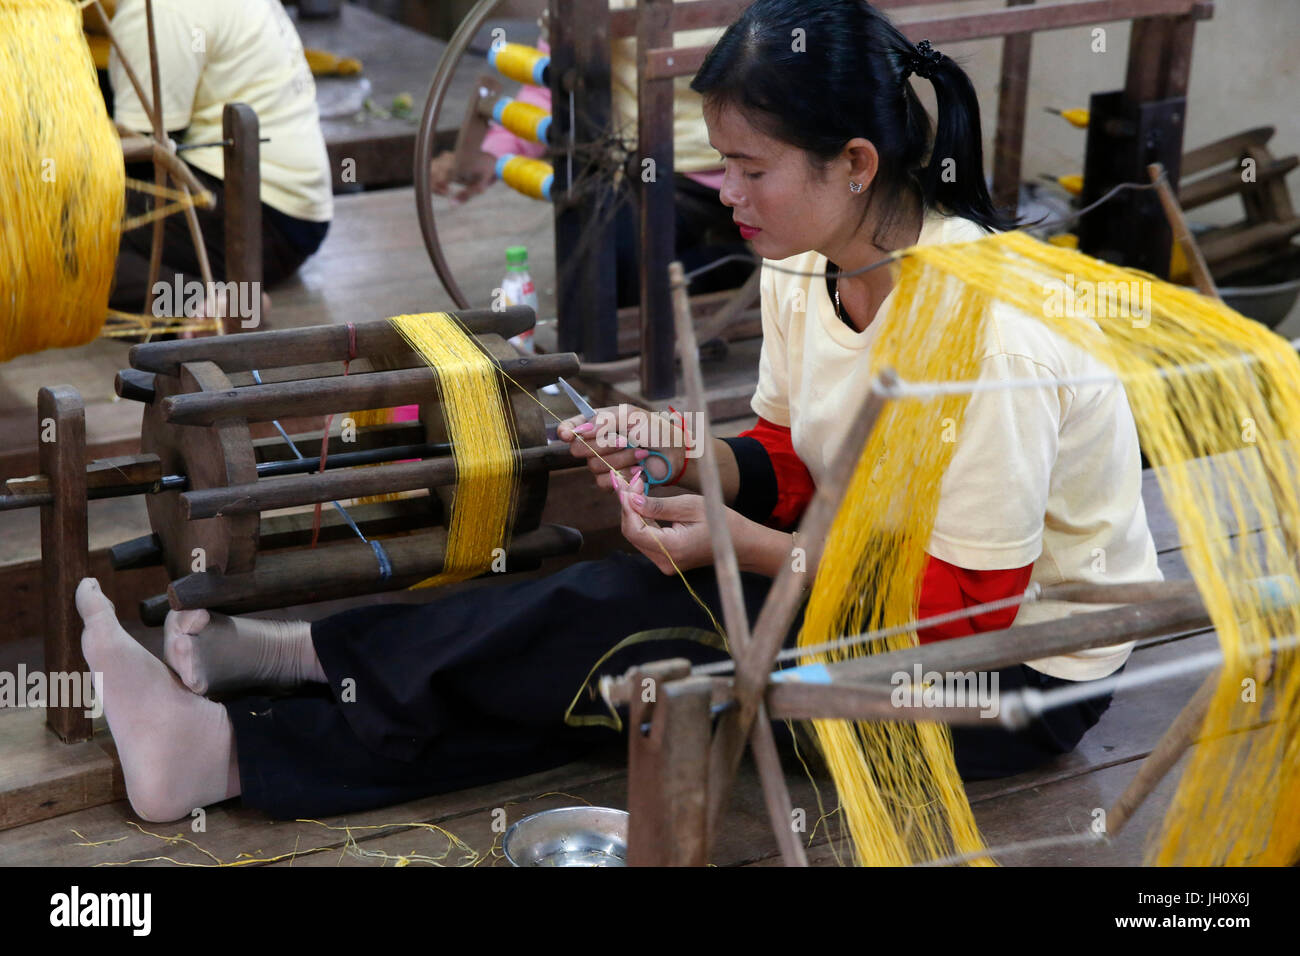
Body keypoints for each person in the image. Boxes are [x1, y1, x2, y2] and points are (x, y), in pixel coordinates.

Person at [76, 0, 1159, 824]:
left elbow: (965, 608)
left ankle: (271, 688)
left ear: (855, 163)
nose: (722, 194)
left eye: (749, 168)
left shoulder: (988, 333)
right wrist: (687, 455)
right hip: (871, 580)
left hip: (1004, 679)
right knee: (609, 644)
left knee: (639, 641)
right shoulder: (805, 265)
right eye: (719, 163)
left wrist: (738, 544)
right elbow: (787, 455)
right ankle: (229, 741)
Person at [428, 1, 753, 304]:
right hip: (666, 175)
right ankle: (736, 267)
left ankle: (738, 270)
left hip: (763, 164)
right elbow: (551, 86)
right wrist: (493, 153)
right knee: (608, 266)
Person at [107, 0, 334, 316]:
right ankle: (219, 297)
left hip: (257, 222)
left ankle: (204, 304)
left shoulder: (156, 11)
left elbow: (144, 152)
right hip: (300, 214)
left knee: (61, 228)